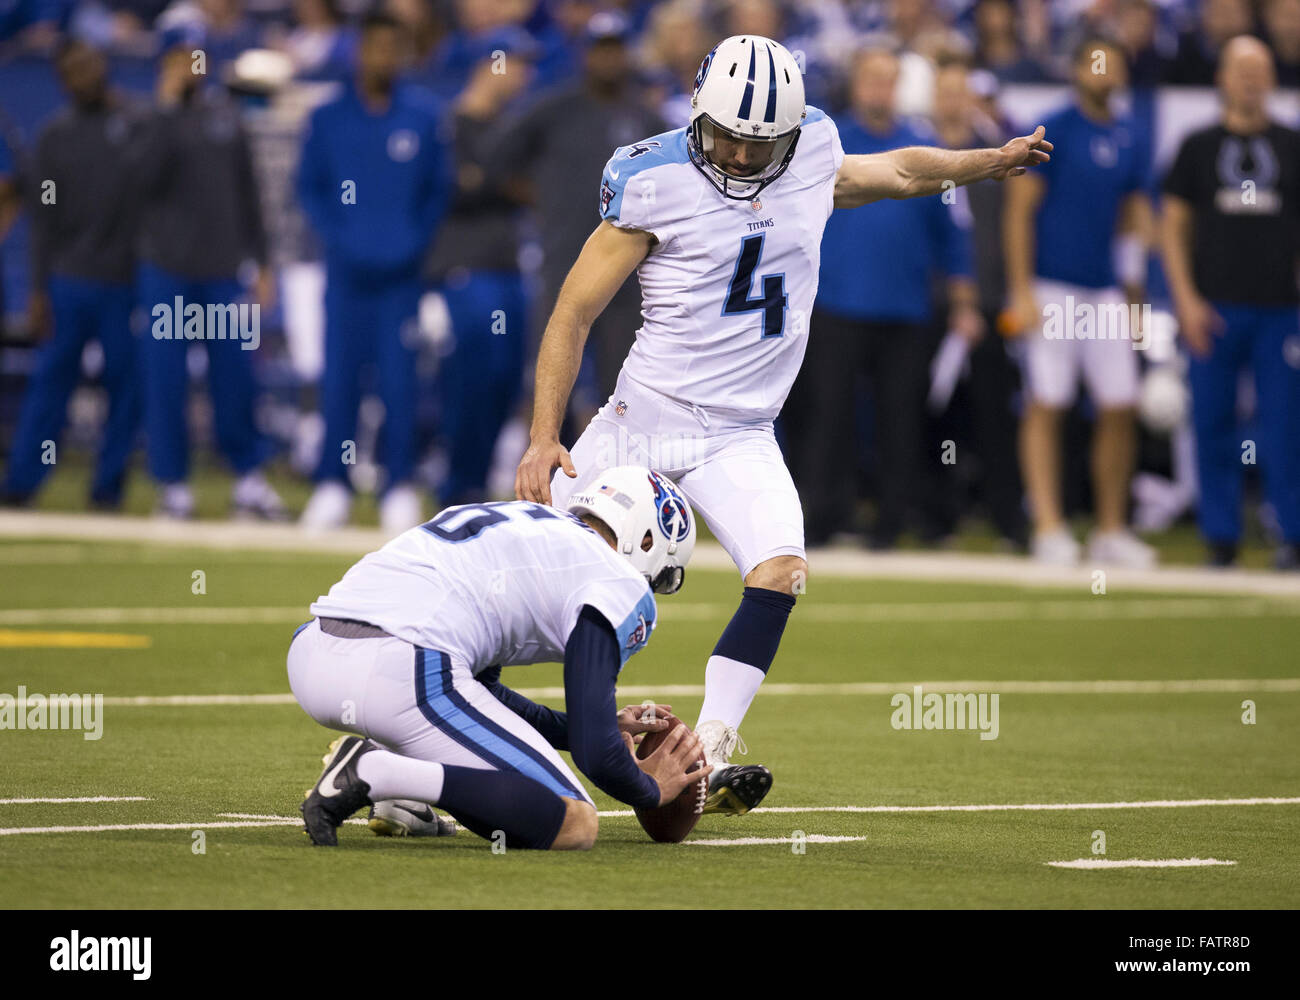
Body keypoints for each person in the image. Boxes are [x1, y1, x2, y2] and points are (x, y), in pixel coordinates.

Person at [514, 34, 1050, 812]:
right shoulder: (652, 177)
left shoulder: (811, 153)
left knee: (780, 569)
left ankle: (708, 752)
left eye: (756, 141)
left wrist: (983, 160)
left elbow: (897, 170)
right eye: (725, 134)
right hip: (647, 420)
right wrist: (543, 435)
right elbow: (573, 312)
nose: (735, 153)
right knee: (526, 575)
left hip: (742, 430)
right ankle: (410, 734)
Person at [288, 465, 713, 850]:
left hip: (313, 655)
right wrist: (650, 788)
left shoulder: (526, 525)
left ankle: (402, 794)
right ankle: (378, 772)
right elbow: (596, 755)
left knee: (455, 701)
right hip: (401, 668)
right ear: (647, 541)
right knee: (574, 822)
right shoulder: (618, 578)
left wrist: (590, 725)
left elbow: (483, 695)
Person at [786, 42, 980, 550]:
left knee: (901, 420)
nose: (879, 88)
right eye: (871, 78)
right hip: (834, 304)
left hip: (905, 308)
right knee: (828, 416)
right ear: (855, 82)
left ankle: (891, 520)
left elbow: (954, 233)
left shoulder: (922, 146)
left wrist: (963, 303)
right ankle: (821, 516)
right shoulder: (827, 142)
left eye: (888, 79)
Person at [296, 13, 453, 533]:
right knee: (339, 381)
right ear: (358, 52)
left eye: (393, 49)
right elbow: (310, 190)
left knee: (399, 385)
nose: (383, 58)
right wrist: (340, 239)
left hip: (401, 280)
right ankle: (331, 485)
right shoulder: (327, 117)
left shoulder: (425, 116)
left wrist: (412, 244)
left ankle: (398, 485)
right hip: (345, 277)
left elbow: (437, 194)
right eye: (375, 48)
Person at [1003, 35, 1155, 568]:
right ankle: (1049, 525)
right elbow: (1019, 211)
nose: (1105, 72)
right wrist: (1020, 290)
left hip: (1105, 288)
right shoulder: (1054, 130)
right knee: (1048, 401)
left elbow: (1135, 222)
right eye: (1096, 62)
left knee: (1121, 403)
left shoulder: (1131, 136)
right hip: (1050, 284)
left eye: (1114, 63)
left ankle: (1112, 528)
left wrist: (1137, 303)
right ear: (1074, 70)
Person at [1160, 36, 1300, 571]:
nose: (1250, 79)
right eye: (1241, 69)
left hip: (1279, 311)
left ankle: (1291, 533)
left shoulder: (1291, 145)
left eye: (1260, 69)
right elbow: (1172, 229)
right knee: (1212, 424)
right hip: (1213, 307)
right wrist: (1185, 299)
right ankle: (1221, 537)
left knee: (1285, 425)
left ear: (1272, 79)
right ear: (1221, 78)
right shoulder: (1197, 146)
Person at [135, 26, 283, 520]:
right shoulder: (149, 120)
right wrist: (165, 107)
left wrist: (262, 263)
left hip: (221, 274)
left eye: (196, 57)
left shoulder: (227, 118)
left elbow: (249, 195)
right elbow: (140, 179)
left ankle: (247, 479)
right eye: (180, 57)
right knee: (166, 382)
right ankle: (172, 485)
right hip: (168, 274)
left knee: (234, 380)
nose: (190, 66)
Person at [2, 40, 143, 511]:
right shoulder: (53, 137)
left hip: (125, 284)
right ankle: (22, 482)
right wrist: (39, 290)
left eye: (90, 63)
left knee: (125, 385)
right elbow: (42, 223)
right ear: (63, 81)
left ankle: (108, 489)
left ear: (104, 66)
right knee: (50, 383)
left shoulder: (135, 125)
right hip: (69, 282)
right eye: (73, 68)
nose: (84, 74)